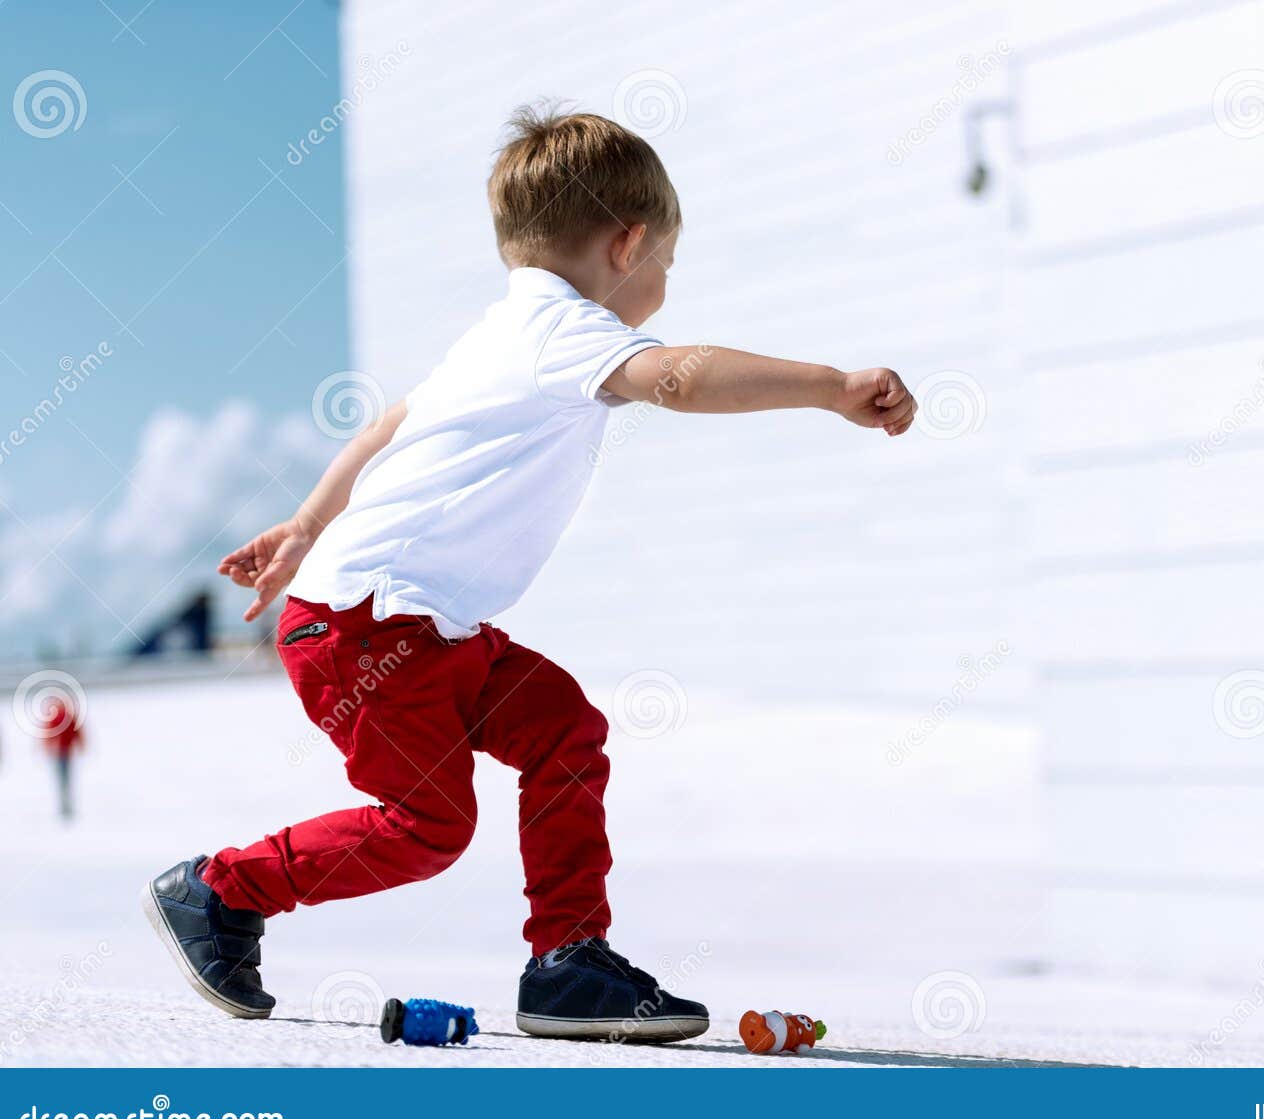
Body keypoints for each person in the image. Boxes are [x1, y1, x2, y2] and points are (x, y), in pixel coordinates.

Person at [141, 106, 916, 1040]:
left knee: (562, 728)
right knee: (428, 826)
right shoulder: (568, 331)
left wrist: (306, 525)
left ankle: (566, 962)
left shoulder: (498, 334)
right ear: (626, 244)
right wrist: (833, 387)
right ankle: (221, 890)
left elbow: (386, 427)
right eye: (666, 264)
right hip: (370, 628)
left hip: (416, 627)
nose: (663, 286)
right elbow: (677, 377)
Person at [40, 694, 84, 822]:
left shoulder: (59, 718)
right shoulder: (67, 717)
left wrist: (47, 746)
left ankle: (65, 805)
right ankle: (65, 805)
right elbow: (77, 733)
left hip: (62, 753)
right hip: (62, 753)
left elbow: (49, 734)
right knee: (64, 779)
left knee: (63, 779)